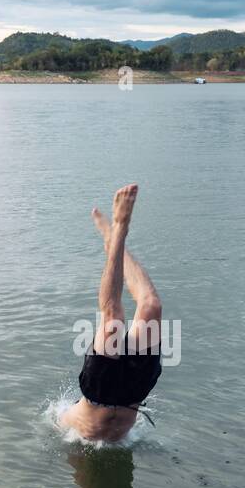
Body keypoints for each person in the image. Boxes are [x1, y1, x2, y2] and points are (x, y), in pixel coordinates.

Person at [60, 184, 162, 442]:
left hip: (125, 397)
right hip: (94, 417)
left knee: (147, 309)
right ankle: (118, 230)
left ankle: (114, 237)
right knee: (116, 317)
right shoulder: (64, 423)